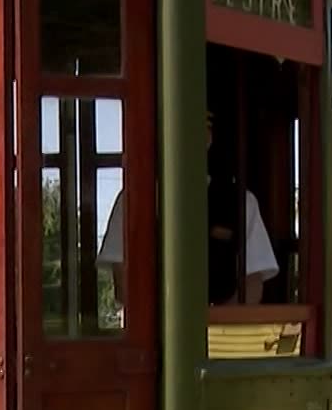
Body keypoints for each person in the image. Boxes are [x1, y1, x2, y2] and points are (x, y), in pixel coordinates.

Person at [97, 108, 278, 308]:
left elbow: (252, 284)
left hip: (221, 324)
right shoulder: (134, 200)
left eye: (205, 128)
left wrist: (215, 322)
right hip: (154, 325)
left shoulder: (241, 201)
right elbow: (125, 284)